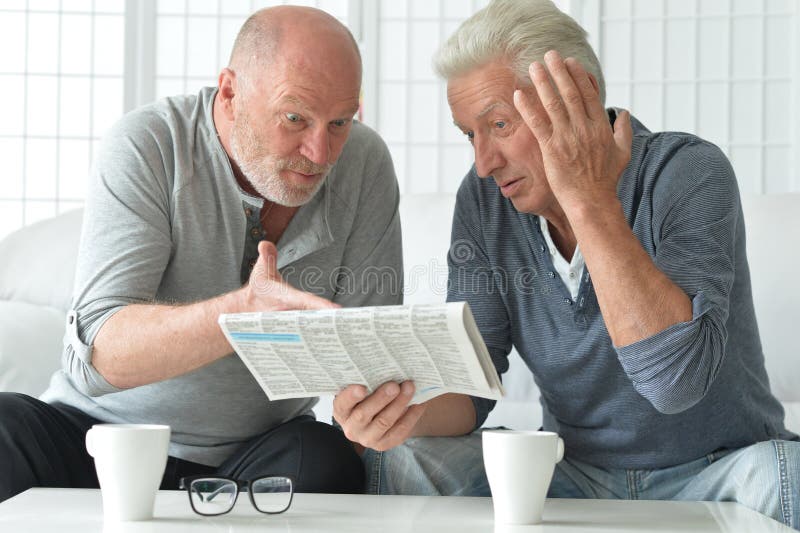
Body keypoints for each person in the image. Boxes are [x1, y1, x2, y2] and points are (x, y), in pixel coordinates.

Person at [332, 0, 799, 528]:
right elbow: (472, 386)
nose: (484, 162)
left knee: (786, 473)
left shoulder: (688, 171)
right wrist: (403, 415)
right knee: (407, 456)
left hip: (720, 471)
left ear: (578, 99)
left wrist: (589, 197)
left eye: (500, 124)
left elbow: (674, 384)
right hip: (572, 471)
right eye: (469, 134)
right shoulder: (486, 201)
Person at [0, 6, 402, 502]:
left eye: (339, 122)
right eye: (295, 117)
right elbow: (100, 357)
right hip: (99, 438)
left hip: (256, 453)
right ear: (231, 93)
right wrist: (243, 314)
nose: (320, 152)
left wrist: (369, 408)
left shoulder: (364, 164)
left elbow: (368, 353)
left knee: (327, 458)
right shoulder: (149, 144)